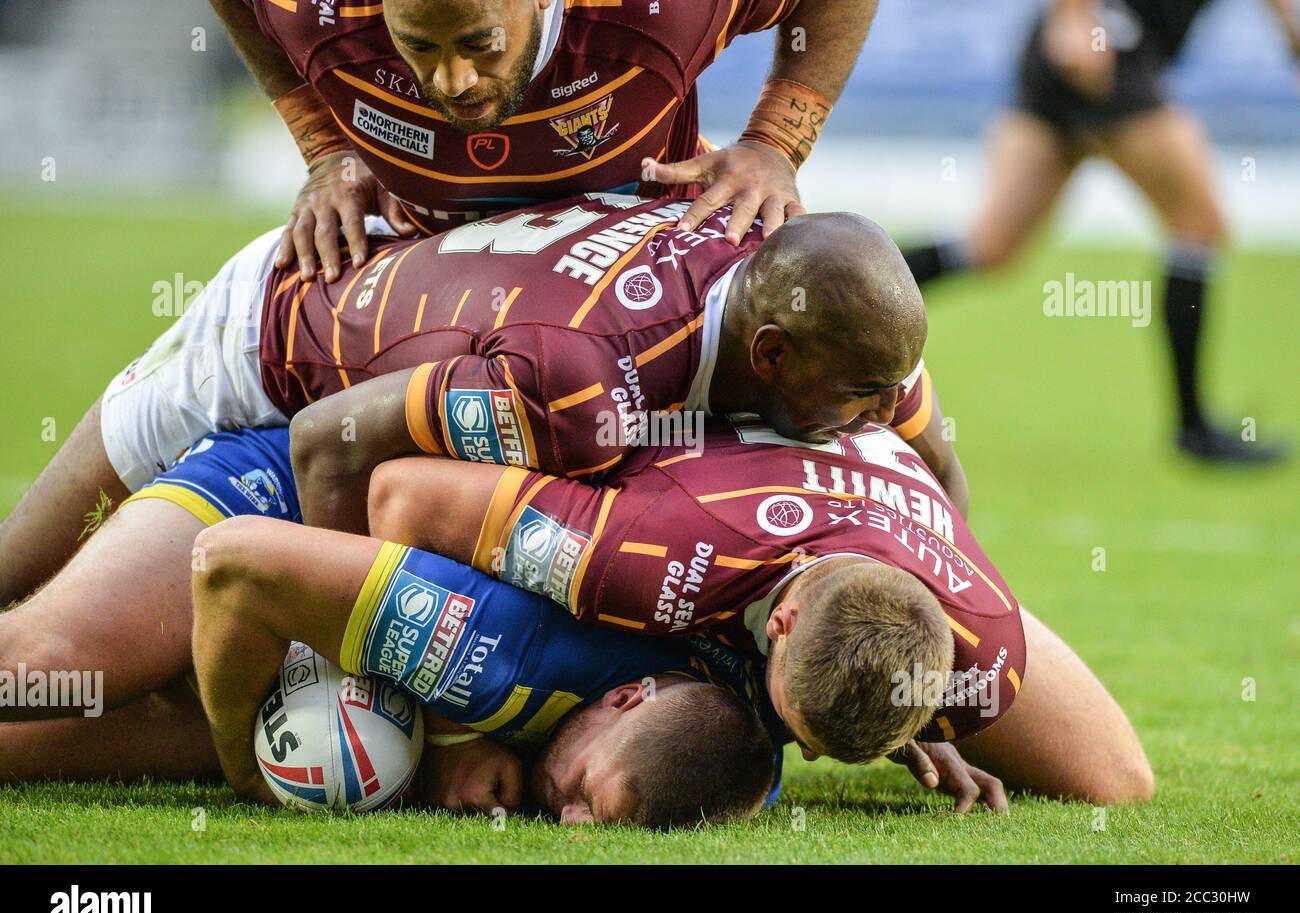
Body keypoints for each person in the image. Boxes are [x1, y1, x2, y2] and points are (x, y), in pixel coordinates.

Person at [0, 195, 963, 606]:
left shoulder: (835, 317)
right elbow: (329, 441)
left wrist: (926, 679)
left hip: (448, 326)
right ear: (770, 354)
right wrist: (347, 666)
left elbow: (937, 483)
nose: (881, 417)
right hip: (279, 328)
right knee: (27, 581)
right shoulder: (588, 384)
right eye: (865, 397)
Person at [0, 426, 1003, 820]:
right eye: (576, 797)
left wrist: (908, 723)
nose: (557, 819)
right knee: (38, 668)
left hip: (353, 598)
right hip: (280, 494)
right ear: (622, 694)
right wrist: (446, 722)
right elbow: (238, 565)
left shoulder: (743, 740)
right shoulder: (498, 653)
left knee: (74, 737)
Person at [363, 413, 1154, 802]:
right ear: (779, 621)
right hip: (686, 439)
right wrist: (449, 737)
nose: (798, 757)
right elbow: (402, 491)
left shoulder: (984, 650)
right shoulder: (650, 553)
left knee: (1117, 783)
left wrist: (918, 709)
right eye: (801, 731)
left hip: (875, 447)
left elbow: (914, 399)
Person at [209, 0, 878, 277]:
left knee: (879, 361)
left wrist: (774, 144)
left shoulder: (659, 10)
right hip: (414, 273)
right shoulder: (320, 10)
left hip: (647, 277)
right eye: (417, 45)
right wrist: (325, 150)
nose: (455, 79)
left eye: (479, 42)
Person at [903, 0, 1299, 464]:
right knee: (1199, 227)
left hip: (1081, 56)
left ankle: (828, 303)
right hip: (1106, 46)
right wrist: (1074, 17)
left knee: (990, 247)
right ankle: (1193, 428)